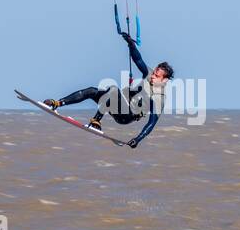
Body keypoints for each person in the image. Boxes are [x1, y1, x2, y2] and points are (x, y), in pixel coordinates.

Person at [44, 31, 173, 148]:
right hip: (116, 104)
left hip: (127, 116)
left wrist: (138, 139)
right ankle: (57, 103)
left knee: (113, 89)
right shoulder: (149, 74)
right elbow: (138, 59)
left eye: (157, 76)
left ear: (164, 80)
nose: (152, 76)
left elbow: (151, 123)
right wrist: (131, 44)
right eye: (154, 72)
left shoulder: (159, 98)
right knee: (91, 91)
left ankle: (96, 121)